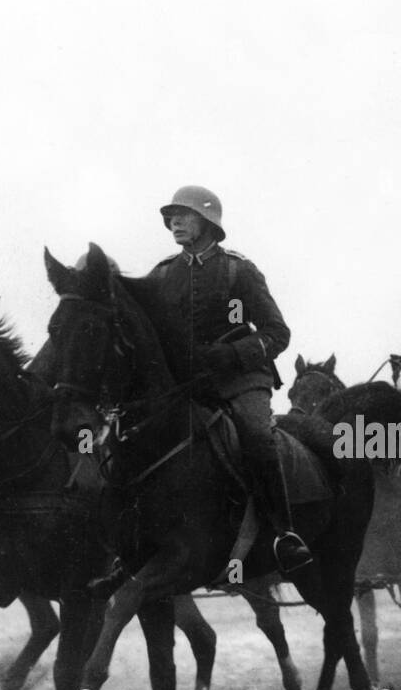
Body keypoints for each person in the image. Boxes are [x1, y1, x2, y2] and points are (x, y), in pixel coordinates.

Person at [89, 185, 311, 599]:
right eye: (170, 216)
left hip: (242, 379)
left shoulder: (238, 270)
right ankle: (130, 549)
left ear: (207, 222)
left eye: (183, 215)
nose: (173, 222)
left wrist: (230, 355)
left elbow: (277, 333)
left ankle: (285, 536)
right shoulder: (162, 273)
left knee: (258, 439)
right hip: (186, 386)